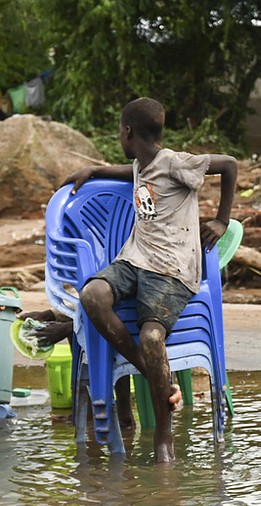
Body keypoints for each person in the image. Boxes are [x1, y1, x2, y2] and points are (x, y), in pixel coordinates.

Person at [62, 97, 238, 462]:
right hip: (134, 260)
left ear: (127, 132)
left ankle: (163, 434)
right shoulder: (141, 165)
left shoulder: (174, 162)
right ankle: (152, 373)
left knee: (152, 337)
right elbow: (131, 172)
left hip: (172, 268)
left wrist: (222, 220)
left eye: (119, 131)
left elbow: (229, 164)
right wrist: (93, 171)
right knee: (92, 296)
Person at [16, 308, 134, 427]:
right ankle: (89, 412)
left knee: (84, 330)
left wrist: (68, 327)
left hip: (132, 325)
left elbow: (112, 311)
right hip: (115, 315)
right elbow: (84, 307)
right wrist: (50, 315)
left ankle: (115, 415)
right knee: (77, 325)